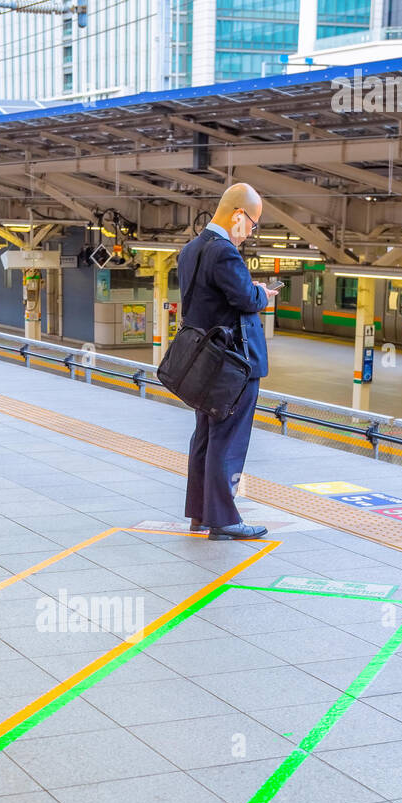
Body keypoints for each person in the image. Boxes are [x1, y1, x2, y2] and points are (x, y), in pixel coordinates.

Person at [177, 182, 274, 540]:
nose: (250, 231)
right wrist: (261, 294)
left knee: (204, 436)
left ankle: (201, 514)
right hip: (234, 364)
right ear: (237, 215)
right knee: (228, 439)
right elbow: (245, 299)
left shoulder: (190, 250)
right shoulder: (225, 253)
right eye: (252, 223)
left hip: (205, 362)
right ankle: (224, 519)